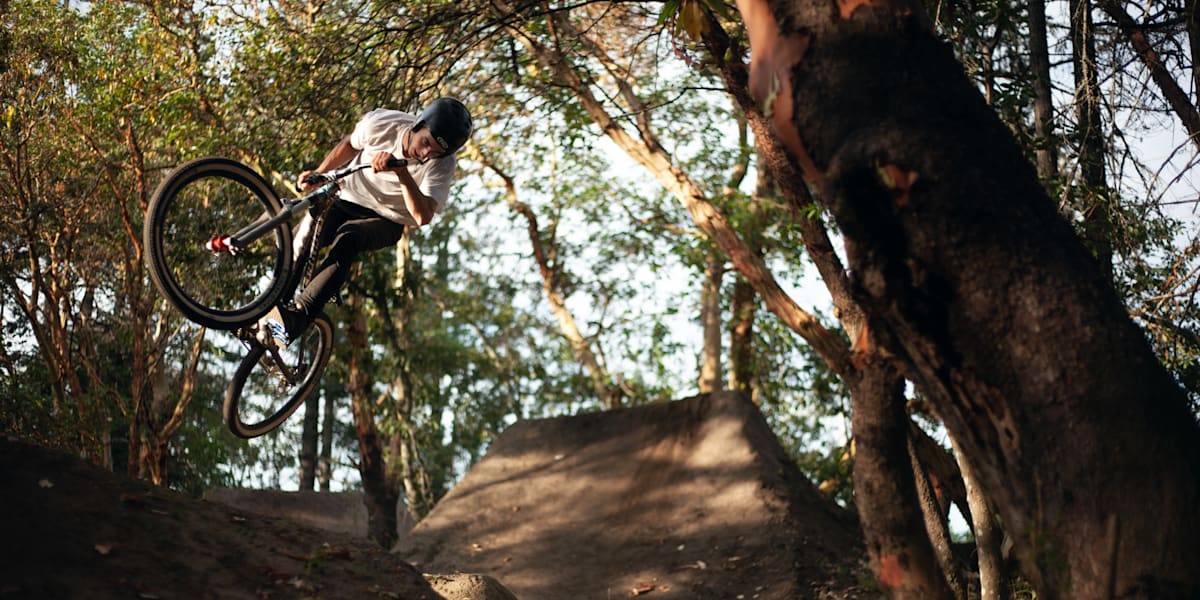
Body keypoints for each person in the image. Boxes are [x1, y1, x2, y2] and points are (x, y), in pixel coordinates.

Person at [259, 97, 472, 345]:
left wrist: (402, 172)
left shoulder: (442, 164)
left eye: (435, 151)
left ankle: (299, 318)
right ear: (418, 125)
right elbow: (350, 144)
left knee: (349, 238)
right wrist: (321, 172)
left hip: (387, 219)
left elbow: (423, 215)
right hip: (347, 197)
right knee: (305, 235)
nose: (425, 153)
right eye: (425, 142)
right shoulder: (384, 123)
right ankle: (270, 310)